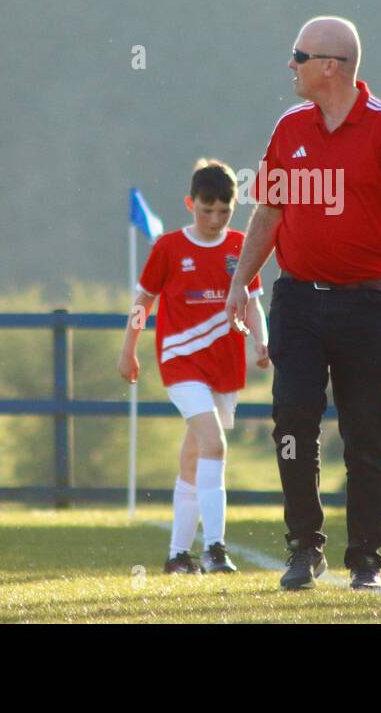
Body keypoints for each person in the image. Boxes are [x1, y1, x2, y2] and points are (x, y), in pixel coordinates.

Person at [224, 16, 381, 592]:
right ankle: (304, 548)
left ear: (330, 66)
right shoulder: (289, 127)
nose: (289, 66)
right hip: (296, 300)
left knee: (365, 431)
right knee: (292, 416)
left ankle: (365, 561)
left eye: (298, 55)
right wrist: (242, 282)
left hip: (368, 304)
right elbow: (268, 212)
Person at [118, 159, 269, 575]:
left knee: (192, 460)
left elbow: (254, 302)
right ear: (190, 204)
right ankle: (216, 549)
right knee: (215, 445)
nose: (215, 219)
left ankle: (176, 556)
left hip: (224, 366)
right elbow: (142, 303)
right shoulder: (168, 248)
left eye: (224, 211)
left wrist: (261, 340)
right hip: (180, 363)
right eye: (207, 210)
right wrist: (128, 348)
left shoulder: (240, 245)